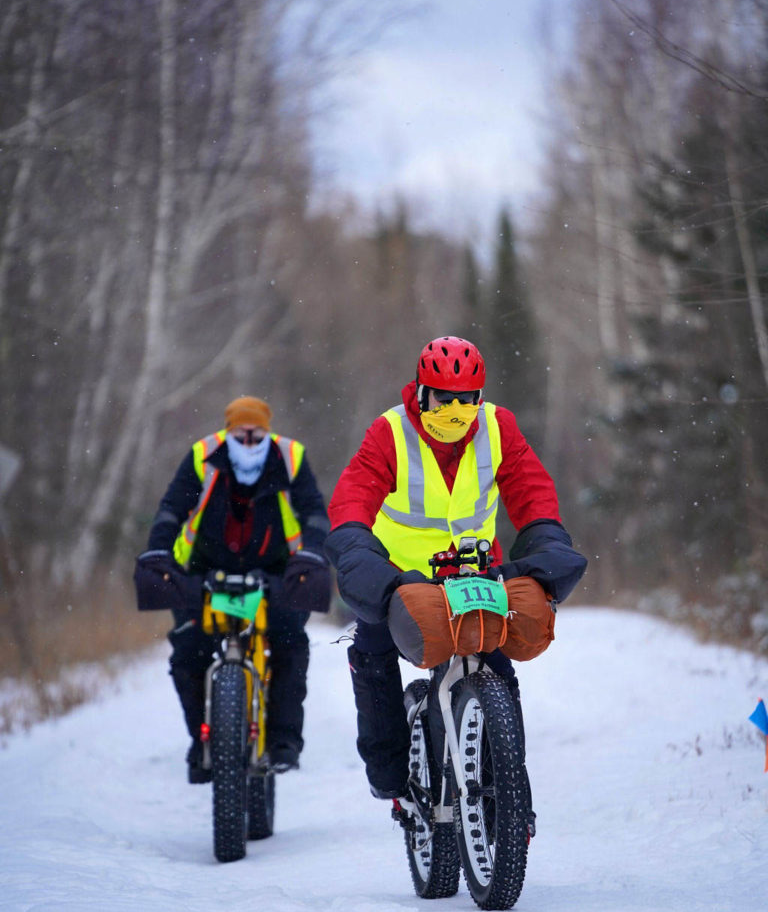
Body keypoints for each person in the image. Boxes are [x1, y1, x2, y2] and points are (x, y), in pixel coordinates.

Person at [325, 335, 587, 808]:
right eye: (443, 398)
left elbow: (531, 491)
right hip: (398, 578)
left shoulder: (498, 426)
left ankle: (511, 802)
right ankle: (390, 778)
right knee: (372, 650)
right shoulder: (390, 432)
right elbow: (353, 499)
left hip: (474, 572)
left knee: (501, 672)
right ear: (422, 393)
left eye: (465, 399)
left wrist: (546, 537)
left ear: (479, 396)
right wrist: (358, 552)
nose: (454, 408)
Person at [135, 395, 331, 783]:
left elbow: (314, 513)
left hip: (275, 572)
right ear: (227, 432)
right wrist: (159, 547)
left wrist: (309, 555)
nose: (247, 444)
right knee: (188, 652)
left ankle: (283, 742)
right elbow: (172, 508)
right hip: (208, 570)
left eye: (255, 435)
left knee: (290, 644)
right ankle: (201, 740)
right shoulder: (202, 456)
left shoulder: (290, 458)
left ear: (268, 432)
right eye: (239, 435)